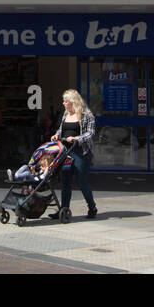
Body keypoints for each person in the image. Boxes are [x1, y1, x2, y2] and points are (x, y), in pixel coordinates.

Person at [50, 89, 97, 219]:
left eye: (65, 101)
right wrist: (56, 135)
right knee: (65, 181)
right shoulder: (66, 113)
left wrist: (77, 139)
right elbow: (62, 129)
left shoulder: (86, 114)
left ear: (72, 102)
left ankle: (92, 207)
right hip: (66, 151)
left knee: (82, 181)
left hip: (81, 152)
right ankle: (64, 209)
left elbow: (91, 133)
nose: (63, 103)